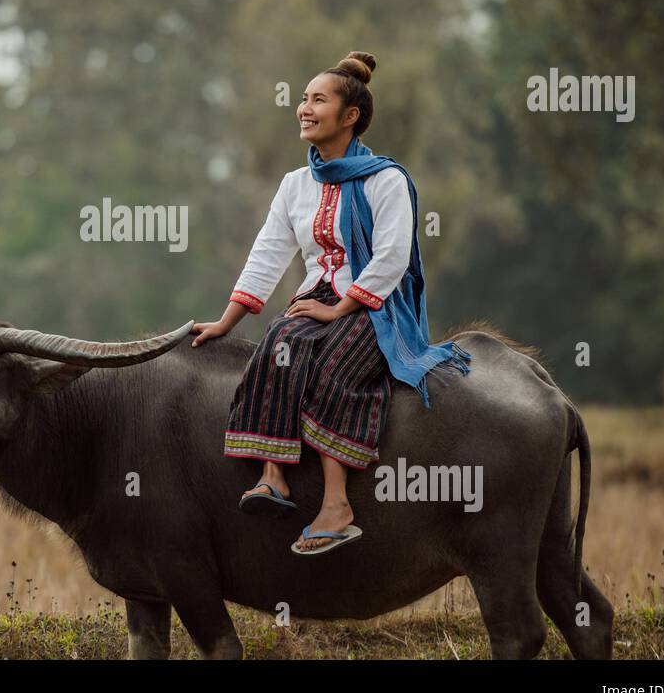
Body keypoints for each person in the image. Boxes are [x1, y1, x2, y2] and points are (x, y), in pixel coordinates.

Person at [190, 50, 470, 555]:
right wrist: (227, 321)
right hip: (317, 293)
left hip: (376, 304)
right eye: (302, 98)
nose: (304, 108)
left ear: (350, 116)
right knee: (279, 342)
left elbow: (392, 256)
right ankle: (272, 477)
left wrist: (341, 308)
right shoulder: (295, 185)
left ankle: (337, 505)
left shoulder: (387, 180)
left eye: (318, 99)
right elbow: (268, 254)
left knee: (336, 364)